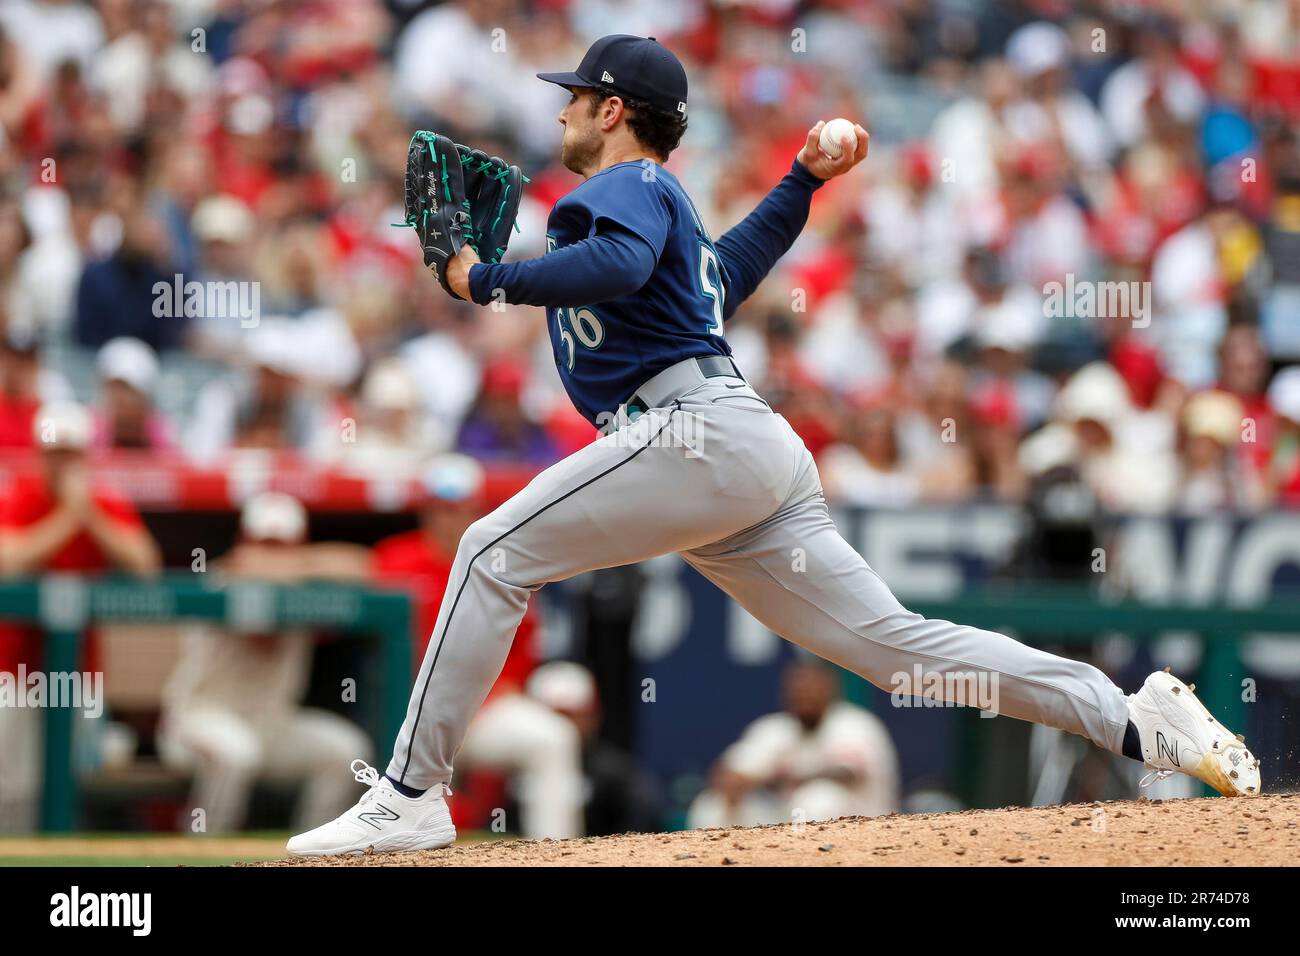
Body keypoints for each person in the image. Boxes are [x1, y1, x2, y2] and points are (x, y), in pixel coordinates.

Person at [289, 35, 1260, 858]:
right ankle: (1139, 718)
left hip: (693, 436)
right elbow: (733, 269)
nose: (562, 115)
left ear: (615, 110)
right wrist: (801, 180)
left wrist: (481, 278)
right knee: (900, 652)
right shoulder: (657, 204)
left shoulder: (627, 188)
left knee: (487, 551)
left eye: (576, 98)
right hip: (735, 452)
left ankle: (412, 790)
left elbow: (620, 261)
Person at [157, 492, 374, 834]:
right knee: (236, 753)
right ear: (243, 541)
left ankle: (311, 855)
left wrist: (298, 565)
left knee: (346, 750)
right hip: (200, 717)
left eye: (281, 544)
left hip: (272, 721)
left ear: (299, 544)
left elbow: (362, 565)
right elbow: (255, 590)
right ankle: (202, 851)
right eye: (263, 542)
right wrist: (290, 567)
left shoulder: (303, 584)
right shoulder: (220, 577)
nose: (271, 553)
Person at [0, 400, 160, 831]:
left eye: (71, 452)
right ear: (40, 453)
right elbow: (8, 559)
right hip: (13, 673)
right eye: (55, 452)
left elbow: (145, 565)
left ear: (86, 455)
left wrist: (86, 512)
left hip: (77, 674)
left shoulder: (101, 501)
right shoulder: (20, 494)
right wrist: (69, 515)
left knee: (70, 781)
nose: (63, 462)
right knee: (12, 787)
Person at [688, 660, 899, 828]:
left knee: (818, 799)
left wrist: (787, 778)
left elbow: (848, 774)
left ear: (829, 691)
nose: (803, 696)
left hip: (861, 825)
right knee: (711, 804)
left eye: (810, 690)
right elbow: (730, 772)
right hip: (788, 823)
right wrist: (737, 782)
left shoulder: (854, 724)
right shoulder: (775, 729)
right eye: (798, 691)